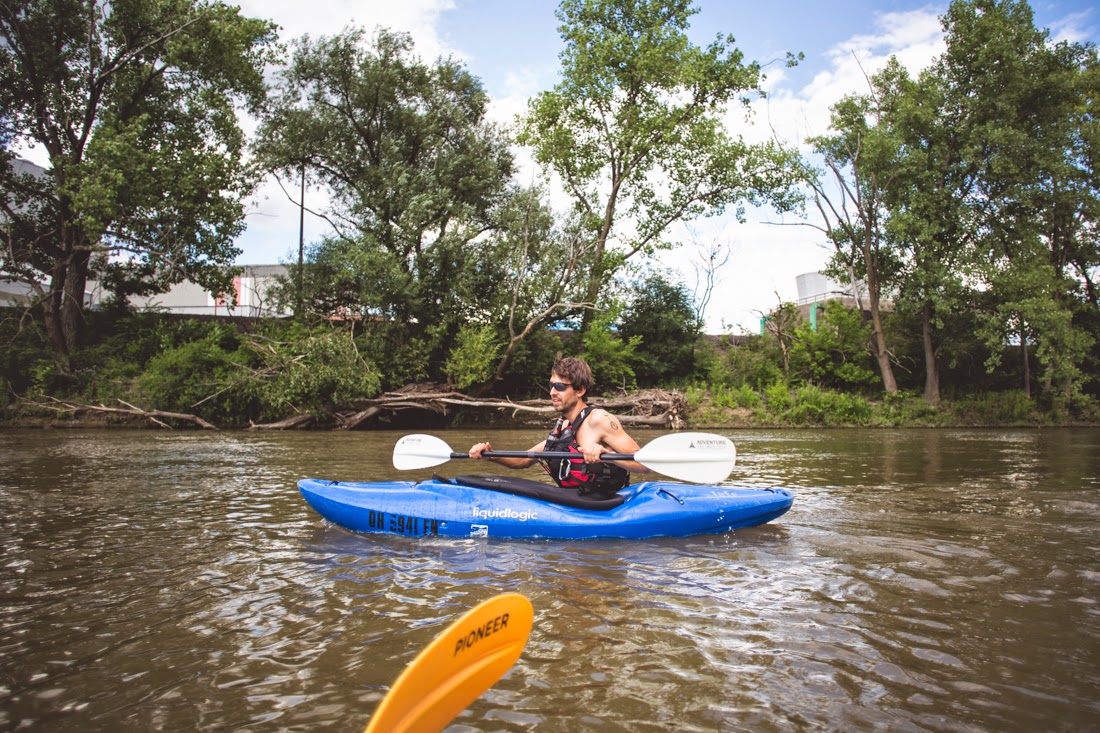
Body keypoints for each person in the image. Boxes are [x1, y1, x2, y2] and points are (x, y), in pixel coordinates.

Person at [468, 356, 650, 498]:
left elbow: (644, 463)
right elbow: (524, 460)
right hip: (573, 499)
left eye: (560, 386)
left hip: (602, 503)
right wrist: (490, 455)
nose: (552, 392)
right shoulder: (563, 426)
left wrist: (606, 456)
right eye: (552, 385)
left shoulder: (599, 419)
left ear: (580, 390)